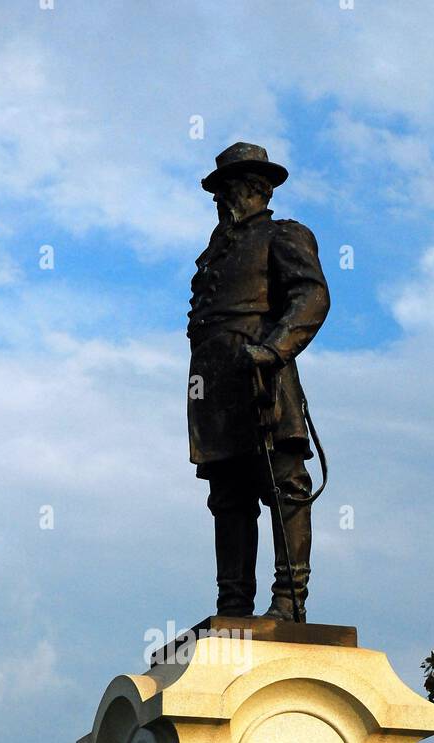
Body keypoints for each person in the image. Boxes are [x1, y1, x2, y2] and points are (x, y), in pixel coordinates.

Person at [187, 142, 330, 620]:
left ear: (251, 189)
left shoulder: (283, 235)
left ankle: (289, 601)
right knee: (228, 495)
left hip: (263, 379)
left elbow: (311, 296)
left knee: (283, 483)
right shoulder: (214, 252)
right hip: (215, 387)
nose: (217, 202)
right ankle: (234, 605)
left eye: (223, 191)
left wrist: (272, 350)